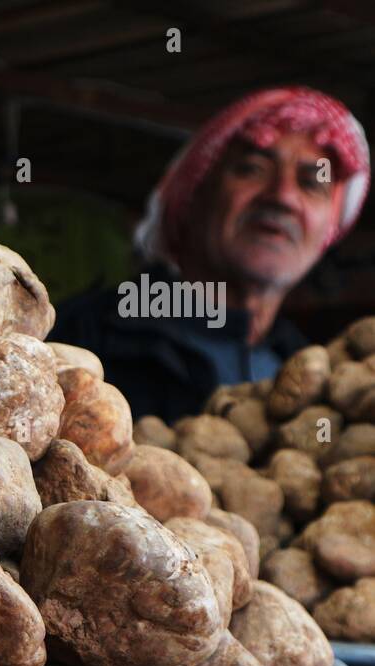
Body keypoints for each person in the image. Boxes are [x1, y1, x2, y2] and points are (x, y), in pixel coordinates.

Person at [52, 87, 370, 421]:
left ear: (328, 230)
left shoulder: (320, 377)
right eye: (252, 169)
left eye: (311, 184)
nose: (283, 197)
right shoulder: (83, 335)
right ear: (194, 196)